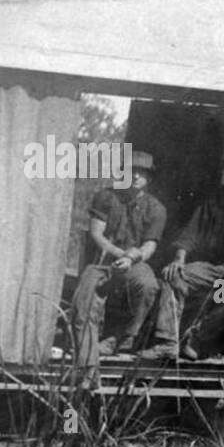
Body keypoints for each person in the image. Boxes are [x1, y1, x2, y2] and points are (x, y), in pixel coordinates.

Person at [142, 143, 224, 361]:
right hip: (213, 271)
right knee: (173, 276)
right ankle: (168, 342)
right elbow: (191, 232)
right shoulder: (215, 200)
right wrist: (179, 258)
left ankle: (196, 339)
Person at [70, 150, 166, 368]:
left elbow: (150, 245)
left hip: (134, 263)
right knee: (82, 302)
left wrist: (133, 258)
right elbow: (97, 234)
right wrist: (121, 254)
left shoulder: (156, 208)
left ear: (148, 178)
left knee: (148, 285)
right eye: (131, 171)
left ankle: (122, 338)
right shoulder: (106, 197)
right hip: (103, 261)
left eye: (141, 173)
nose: (134, 177)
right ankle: (86, 361)